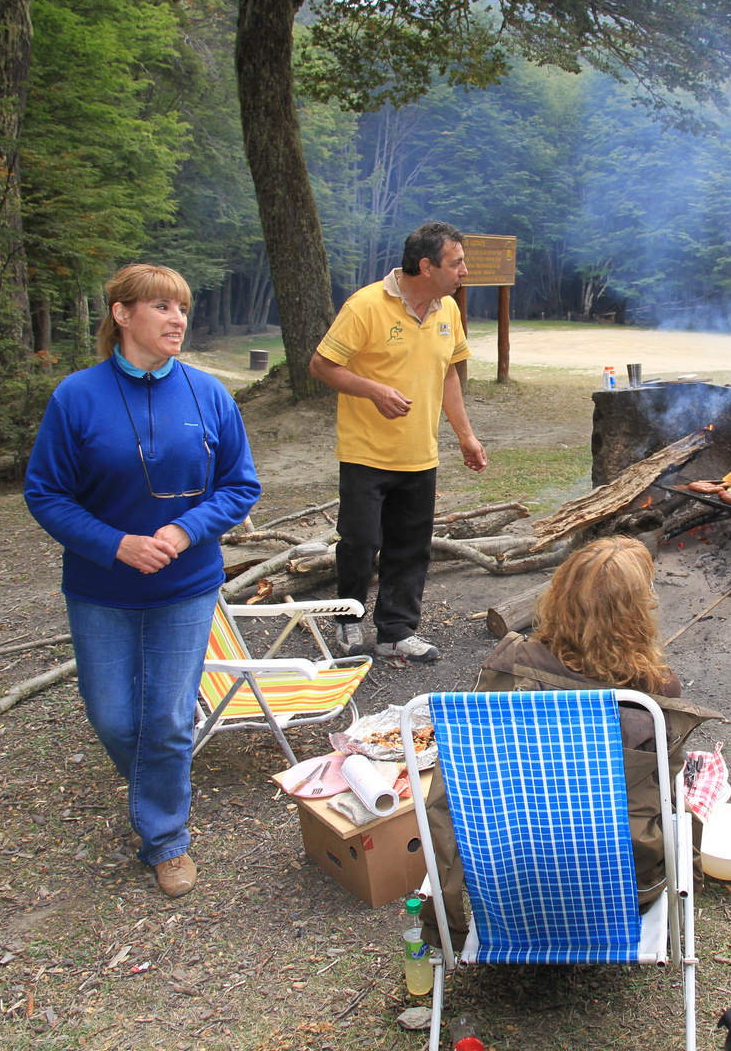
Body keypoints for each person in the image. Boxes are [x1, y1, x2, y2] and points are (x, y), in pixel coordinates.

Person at [25, 264, 261, 898]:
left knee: (168, 719)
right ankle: (156, 786)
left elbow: (241, 484)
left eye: (181, 308)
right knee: (113, 718)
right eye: (161, 307)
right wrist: (115, 545)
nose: (177, 319)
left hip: (186, 588)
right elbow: (46, 494)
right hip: (102, 590)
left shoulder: (210, 394)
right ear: (122, 316)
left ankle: (165, 838)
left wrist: (185, 532)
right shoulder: (76, 396)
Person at [421, 538, 721, 950]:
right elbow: (666, 798)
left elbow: (454, 794)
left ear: (559, 595)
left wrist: (444, 926)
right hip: (620, 889)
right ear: (637, 614)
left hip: (510, 880)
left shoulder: (511, 670)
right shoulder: (652, 693)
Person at [309, 221, 487, 663]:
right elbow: (321, 365)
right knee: (361, 541)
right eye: (457, 262)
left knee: (411, 546)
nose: (465, 270)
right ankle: (347, 620)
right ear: (426, 266)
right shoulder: (366, 305)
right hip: (366, 452)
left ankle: (395, 631)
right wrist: (373, 389)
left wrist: (465, 436)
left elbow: (448, 373)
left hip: (419, 454)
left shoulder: (447, 310)